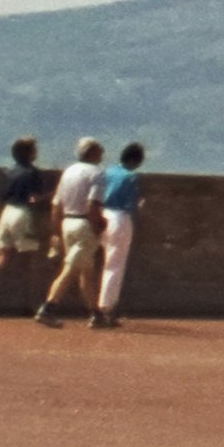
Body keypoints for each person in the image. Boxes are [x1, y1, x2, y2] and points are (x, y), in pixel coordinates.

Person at [35, 138, 106, 326]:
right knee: (72, 268)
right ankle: (48, 307)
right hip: (84, 225)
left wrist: (56, 232)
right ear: (92, 153)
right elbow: (93, 205)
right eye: (100, 150)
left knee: (86, 269)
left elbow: (56, 205)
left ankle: (96, 313)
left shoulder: (69, 172)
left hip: (68, 223)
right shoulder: (97, 174)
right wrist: (97, 227)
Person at [0, 138, 51, 313]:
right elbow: (34, 198)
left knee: (2, 258)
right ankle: (31, 304)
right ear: (29, 153)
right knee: (29, 261)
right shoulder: (32, 173)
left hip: (7, 213)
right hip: (23, 214)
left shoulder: (8, 172)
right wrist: (51, 195)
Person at [89, 143, 144, 328]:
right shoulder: (131, 177)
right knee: (115, 264)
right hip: (119, 218)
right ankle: (106, 309)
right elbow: (131, 205)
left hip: (102, 214)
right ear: (135, 160)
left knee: (100, 262)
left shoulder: (107, 172)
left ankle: (97, 308)